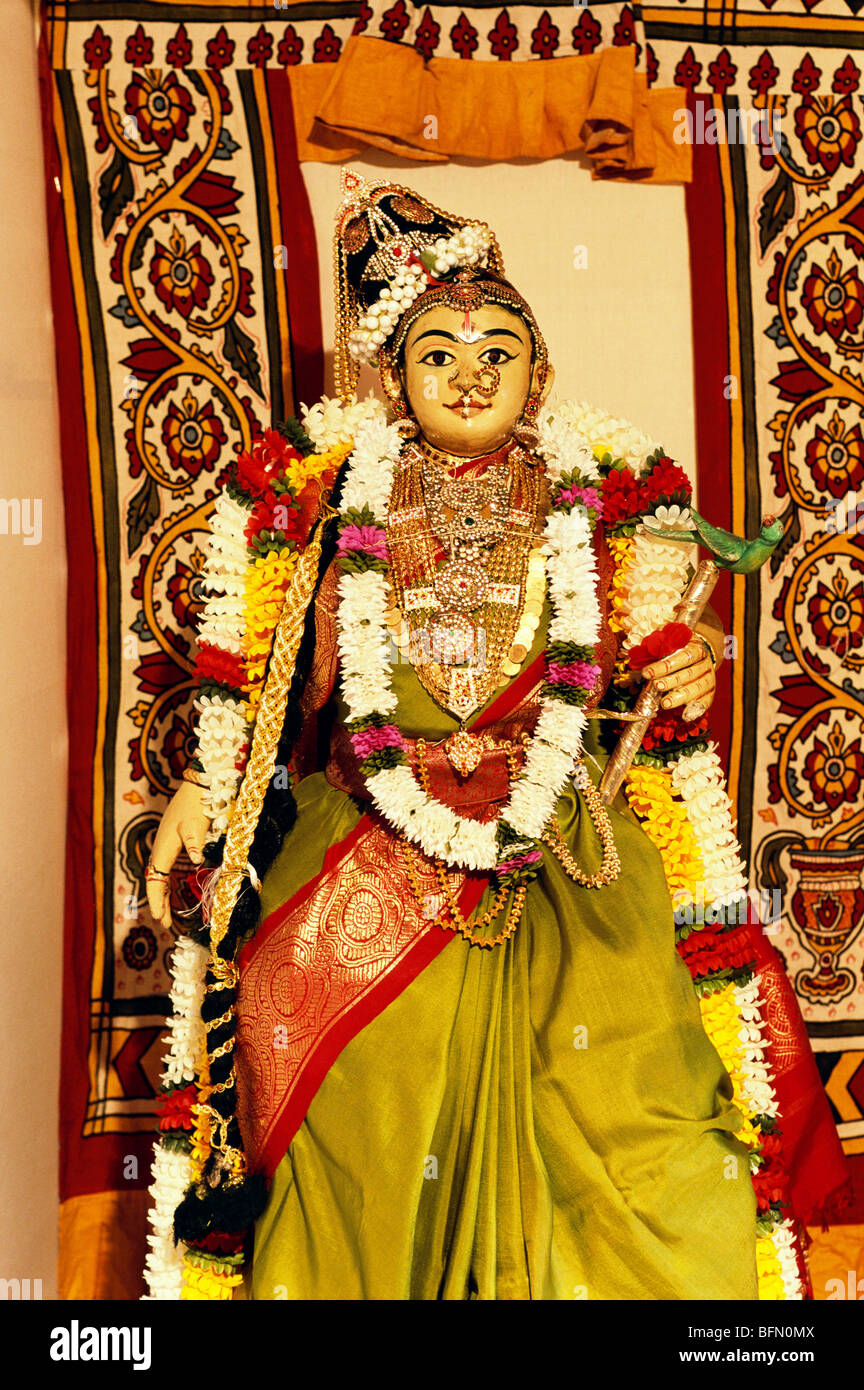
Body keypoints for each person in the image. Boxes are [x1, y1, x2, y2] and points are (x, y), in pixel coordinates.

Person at [143, 172, 805, 1301]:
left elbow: (653, 667)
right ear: (393, 378)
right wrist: (205, 793)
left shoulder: (602, 494)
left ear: (539, 378)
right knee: (334, 1064)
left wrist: (683, 666)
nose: (469, 372)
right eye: (438, 351)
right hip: (370, 833)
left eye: (498, 350)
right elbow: (249, 682)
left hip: (562, 848)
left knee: (625, 1103)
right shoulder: (321, 493)